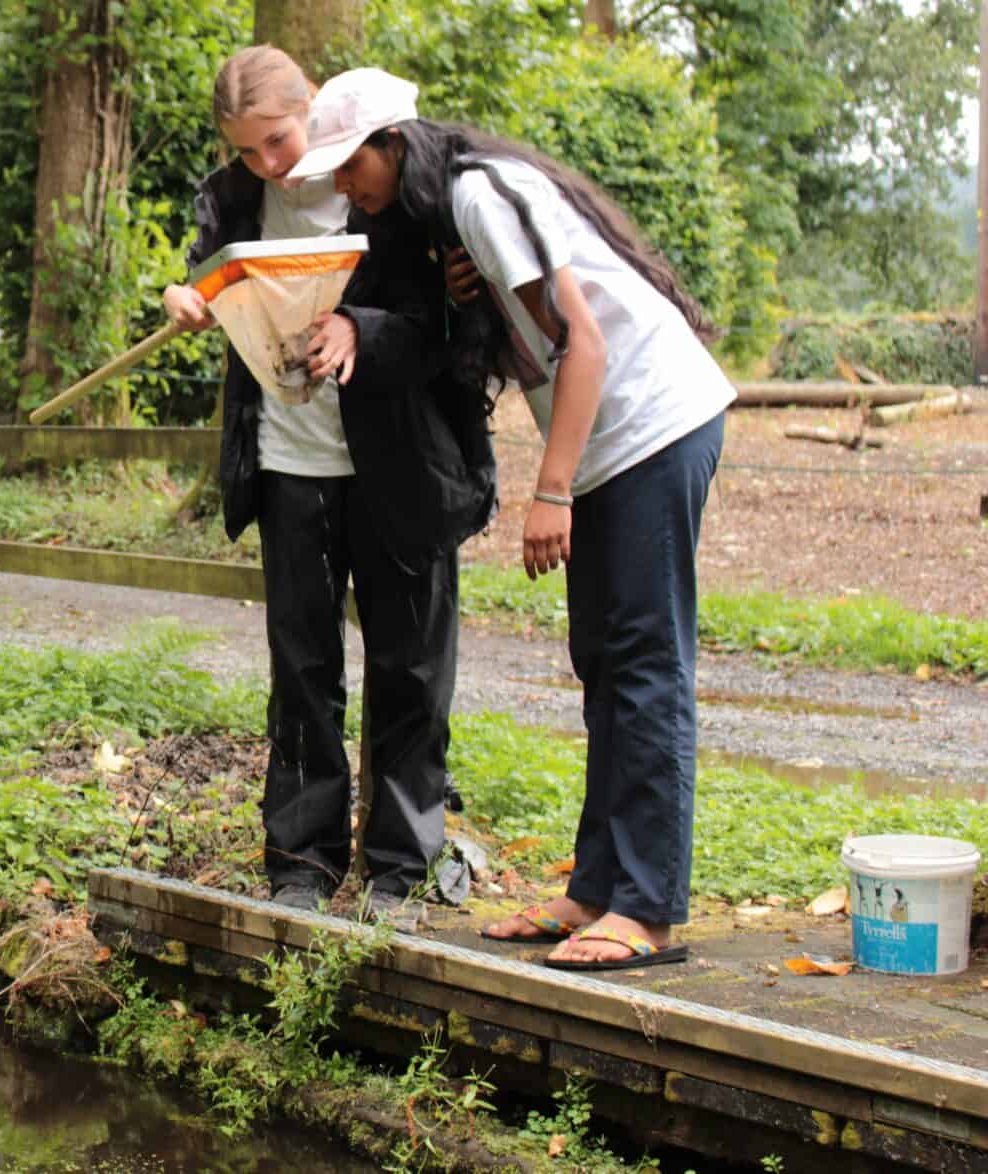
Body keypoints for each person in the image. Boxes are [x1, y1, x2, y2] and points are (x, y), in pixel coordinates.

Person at [295, 66, 734, 971]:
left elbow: (586, 341)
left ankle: (647, 911)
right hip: (618, 438)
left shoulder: (479, 196)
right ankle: (595, 892)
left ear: (392, 144)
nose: (344, 186)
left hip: (654, 420)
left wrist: (552, 490)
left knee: (646, 661)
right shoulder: (455, 218)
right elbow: (522, 338)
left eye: (351, 165)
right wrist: (469, 301)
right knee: (604, 661)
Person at [161, 47, 494, 927]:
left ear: (311, 105)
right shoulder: (234, 199)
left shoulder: (395, 182)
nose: (270, 164)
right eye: (249, 152)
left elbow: (442, 328)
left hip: (399, 463)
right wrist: (186, 295)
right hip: (289, 463)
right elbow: (206, 277)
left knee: (411, 667)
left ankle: (402, 864)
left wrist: (361, 328)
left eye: (277, 140)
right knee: (302, 668)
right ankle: (302, 859)